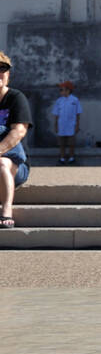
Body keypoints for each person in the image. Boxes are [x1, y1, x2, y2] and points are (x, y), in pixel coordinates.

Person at [0, 51, 32, 230]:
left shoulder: (15, 98)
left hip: (15, 164)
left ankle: (6, 210)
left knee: (2, 162)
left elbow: (19, 131)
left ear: (8, 74)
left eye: (2, 69)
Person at [52, 81, 82, 165]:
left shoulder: (75, 100)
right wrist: (56, 125)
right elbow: (56, 114)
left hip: (71, 125)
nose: (61, 92)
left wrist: (77, 125)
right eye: (60, 90)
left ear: (68, 90)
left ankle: (71, 158)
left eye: (62, 90)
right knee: (61, 143)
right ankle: (62, 158)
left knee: (71, 143)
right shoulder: (59, 101)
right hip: (61, 125)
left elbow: (78, 114)